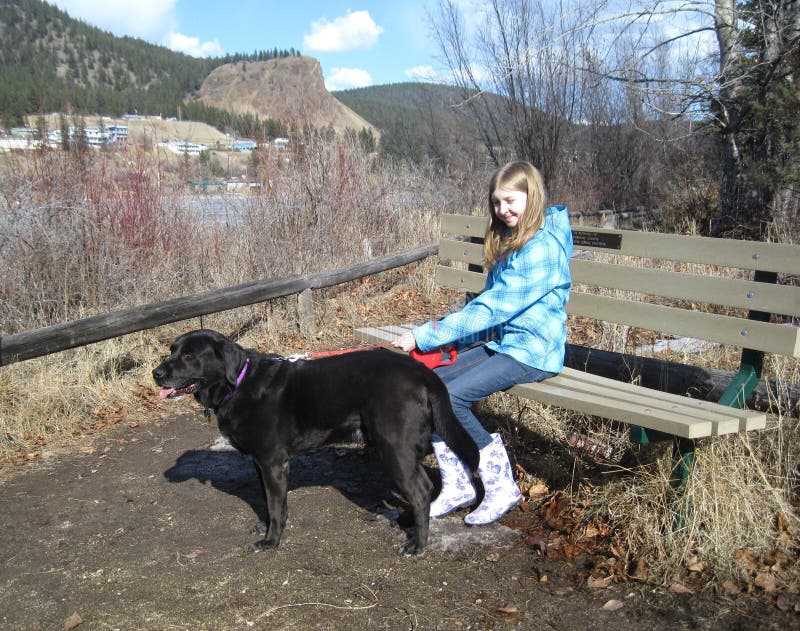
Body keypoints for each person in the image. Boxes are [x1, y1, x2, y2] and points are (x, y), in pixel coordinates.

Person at [392, 160, 573, 525]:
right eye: (496, 203)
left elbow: (491, 310)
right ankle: (458, 484)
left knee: (453, 400)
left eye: (511, 201)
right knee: (433, 387)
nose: (503, 210)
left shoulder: (541, 249)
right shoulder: (515, 239)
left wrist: (426, 334)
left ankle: (501, 484)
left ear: (532, 196)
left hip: (533, 351)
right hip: (507, 342)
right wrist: (431, 346)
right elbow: (486, 310)